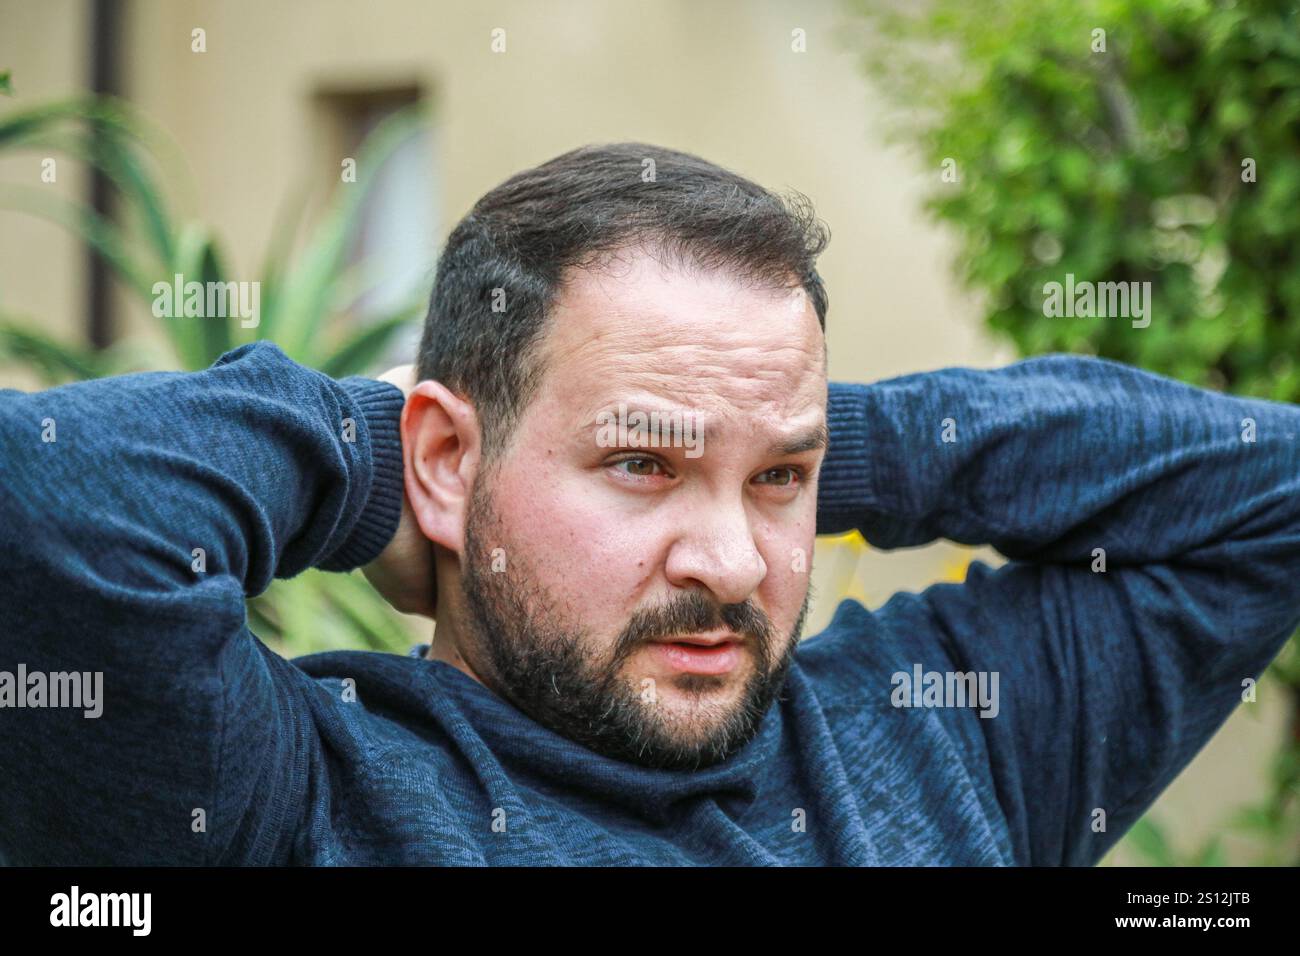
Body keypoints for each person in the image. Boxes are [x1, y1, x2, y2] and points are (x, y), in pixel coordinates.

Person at [2, 143, 1297, 865]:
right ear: (449, 465)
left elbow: (1270, 493)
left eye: (779, 484)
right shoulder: (290, 799)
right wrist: (366, 453)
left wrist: (820, 443)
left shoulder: (948, 743)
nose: (735, 562)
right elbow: (47, 493)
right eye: (643, 467)